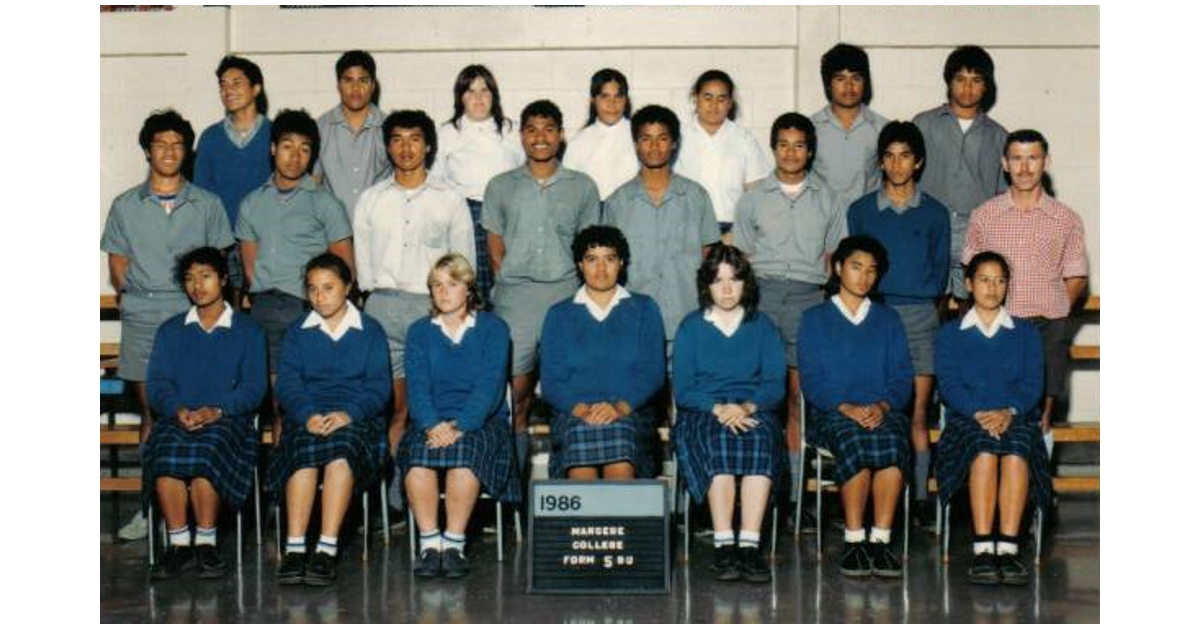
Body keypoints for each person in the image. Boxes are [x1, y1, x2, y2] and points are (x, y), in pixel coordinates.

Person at [101, 109, 235, 539]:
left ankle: (203, 513)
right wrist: (143, 300)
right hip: (144, 318)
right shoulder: (125, 205)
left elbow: (221, 262)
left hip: (192, 317)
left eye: (178, 144)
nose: (169, 151)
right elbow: (118, 267)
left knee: (200, 407)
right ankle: (150, 508)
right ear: (147, 150)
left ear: (187, 151)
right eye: (161, 144)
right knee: (153, 413)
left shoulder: (208, 204)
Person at [480, 99, 602, 467]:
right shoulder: (500, 185)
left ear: (561, 135)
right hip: (515, 301)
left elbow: (589, 248)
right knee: (515, 397)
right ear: (521, 136)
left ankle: (570, 488)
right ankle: (513, 493)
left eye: (549, 129)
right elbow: (495, 247)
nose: (540, 137)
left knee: (573, 394)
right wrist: (508, 284)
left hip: (565, 297)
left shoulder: (582, 186)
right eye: (532, 129)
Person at [353, 109, 475, 464]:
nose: (406, 148)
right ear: (387, 148)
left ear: (429, 146)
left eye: (415, 139)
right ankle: (389, 501)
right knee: (391, 410)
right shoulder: (371, 199)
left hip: (433, 310)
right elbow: (364, 266)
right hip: (383, 308)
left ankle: (427, 492)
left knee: (431, 409)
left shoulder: (449, 198)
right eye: (397, 140)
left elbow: (464, 265)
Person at [846, 120, 950, 523]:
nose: (897, 164)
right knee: (876, 408)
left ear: (918, 161)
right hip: (874, 317)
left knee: (918, 413)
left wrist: (929, 315)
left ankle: (920, 499)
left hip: (921, 317)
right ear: (880, 161)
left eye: (905, 155)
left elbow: (941, 274)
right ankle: (874, 501)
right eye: (889, 156)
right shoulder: (861, 210)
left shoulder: (936, 212)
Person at [144, 247, 267, 580]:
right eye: (189, 279)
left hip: (228, 420)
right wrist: (176, 409)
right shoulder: (171, 330)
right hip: (179, 417)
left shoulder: (247, 330)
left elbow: (255, 389)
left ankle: (207, 543)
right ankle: (179, 543)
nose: (197, 285)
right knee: (167, 452)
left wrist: (219, 410)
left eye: (206, 276)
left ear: (224, 279)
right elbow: (157, 383)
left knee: (206, 453)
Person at [732, 112, 846, 469]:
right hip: (761, 297)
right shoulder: (752, 200)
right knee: (757, 394)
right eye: (783, 145)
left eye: (799, 146)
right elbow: (744, 254)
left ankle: (795, 494)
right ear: (773, 149)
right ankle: (757, 483)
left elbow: (835, 256)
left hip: (808, 299)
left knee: (798, 397)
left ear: (810, 151)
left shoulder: (828, 198)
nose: (791, 153)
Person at [269, 254, 390, 587]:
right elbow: (289, 383)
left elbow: (379, 387)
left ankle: (326, 548)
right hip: (307, 415)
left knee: (340, 455)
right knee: (303, 459)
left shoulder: (370, 330)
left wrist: (348, 414)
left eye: (328, 288)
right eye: (312, 289)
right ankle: (295, 548)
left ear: (348, 288)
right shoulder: (298, 331)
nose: (319, 297)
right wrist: (307, 415)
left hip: (354, 418)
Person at [236, 108, 354, 443]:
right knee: (275, 405)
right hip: (265, 313)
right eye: (288, 146)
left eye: (305, 149)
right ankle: (279, 487)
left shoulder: (325, 203)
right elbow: (249, 267)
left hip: (309, 311)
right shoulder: (251, 203)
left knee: (307, 403)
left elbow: (345, 265)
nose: (295, 156)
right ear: (273, 148)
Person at [798, 235, 913, 579]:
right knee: (856, 442)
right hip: (832, 413)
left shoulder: (888, 319)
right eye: (856, 267)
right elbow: (812, 379)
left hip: (881, 411)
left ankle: (880, 539)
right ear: (838, 268)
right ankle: (853, 540)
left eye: (871, 271)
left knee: (892, 442)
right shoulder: (814, 319)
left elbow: (902, 378)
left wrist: (882, 405)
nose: (863, 277)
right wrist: (844, 407)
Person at [399, 253, 520, 579]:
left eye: (452, 284)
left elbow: (490, 386)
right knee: (417, 456)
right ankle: (429, 544)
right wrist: (432, 424)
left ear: (469, 288)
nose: (444, 291)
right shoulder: (420, 332)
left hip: (481, 419)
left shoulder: (494, 328)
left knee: (466, 456)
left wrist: (462, 425)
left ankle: (453, 543)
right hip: (432, 419)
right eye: (436, 285)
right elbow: (418, 387)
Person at [934, 251, 1050, 586]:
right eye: (984, 279)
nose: (992, 287)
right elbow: (950, 384)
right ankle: (984, 546)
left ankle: (1009, 548)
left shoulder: (1025, 333)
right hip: (967, 420)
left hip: (1015, 418)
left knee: (1016, 452)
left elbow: (1032, 384)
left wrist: (1008, 411)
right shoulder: (951, 332)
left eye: (1000, 280)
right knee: (983, 449)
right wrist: (979, 413)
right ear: (969, 284)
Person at [672, 244, 786, 583]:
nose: (726, 289)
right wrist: (718, 408)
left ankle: (749, 546)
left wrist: (747, 406)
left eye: (733, 280)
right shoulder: (691, 327)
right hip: (705, 410)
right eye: (718, 280)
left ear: (745, 284)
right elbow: (684, 389)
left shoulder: (762, 325)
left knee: (761, 438)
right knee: (718, 440)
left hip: (751, 407)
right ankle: (724, 545)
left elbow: (775, 383)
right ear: (705, 285)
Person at [961, 129, 1088, 431]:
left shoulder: (1066, 218)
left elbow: (1076, 275)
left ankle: (1042, 434)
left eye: (1033, 158)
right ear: (1005, 163)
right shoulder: (984, 215)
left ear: (1046, 162)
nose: (1025, 167)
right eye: (1017, 159)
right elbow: (971, 270)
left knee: (1038, 414)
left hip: (1046, 324)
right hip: (1001, 322)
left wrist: (1057, 310)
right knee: (998, 410)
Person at [540, 226, 666, 480]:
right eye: (591, 259)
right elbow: (552, 382)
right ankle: (584, 521)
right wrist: (581, 410)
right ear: (579, 264)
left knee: (621, 437)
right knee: (579, 437)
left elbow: (653, 373)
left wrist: (620, 408)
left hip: (630, 412)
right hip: (575, 413)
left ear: (621, 263)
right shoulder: (559, 314)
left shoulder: (644, 308)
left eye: (609, 259)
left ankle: (621, 520)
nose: (600, 269)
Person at [603, 104, 721, 356]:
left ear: (674, 143)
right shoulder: (618, 202)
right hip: (634, 320)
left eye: (662, 138)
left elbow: (707, 255)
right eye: (646, 139)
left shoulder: (696, 196)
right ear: (636, 144)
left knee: (686, 392)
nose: (654, 147)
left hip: (686, 315)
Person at [913, 45, 1008, 299]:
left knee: (974, 311)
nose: (967, 88)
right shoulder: (923, 124)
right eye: (960, 79)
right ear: (948, 82)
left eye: (976, 80)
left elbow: (1003, 195)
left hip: (977, 236)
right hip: (930, 232)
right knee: (931, 309)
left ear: (986, 86)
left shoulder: (998, 136)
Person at [431, 64, 524, 309]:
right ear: (460, 97)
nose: (478, 98)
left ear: (494, 95)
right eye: (470, 91)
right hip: (466, 213)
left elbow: (525, 173)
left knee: (506, 276)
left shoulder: (510, 130)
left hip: (506, 213)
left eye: (484, 91)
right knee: (469, 278)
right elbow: (437, 181)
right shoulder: (447, 132)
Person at [194, 55, 273, 305]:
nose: (228, 91)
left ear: (256, 88)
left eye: (236, 83)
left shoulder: (276, 133)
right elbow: (201, 196)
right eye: (223, 85)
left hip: (265, 244)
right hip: (222, 246)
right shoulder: (210, 138)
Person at [675, 69, 771, 238]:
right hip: (685, 230)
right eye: (707, 97)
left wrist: (739, 232)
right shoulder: (679, 137)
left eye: (721, 99)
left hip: (731, 233)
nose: (714, 105)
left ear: (730, 103)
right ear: (695, 98)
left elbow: (758, 194)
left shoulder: (744, 140)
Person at [314, 50, 390, 219]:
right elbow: (314, 183)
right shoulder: (320, 128)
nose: (355, 88)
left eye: (363, 80)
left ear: (373, 86)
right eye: (348, 80)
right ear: (338, 85)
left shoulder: (390, 128)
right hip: (333, 234)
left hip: (379, 229)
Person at [810, 43, 889, 206]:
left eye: (856, 78)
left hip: (866, 224)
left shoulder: (882, 128)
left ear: (865, 82)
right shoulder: (811, 128)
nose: (849, 86)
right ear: (828, 84)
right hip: (823, 225)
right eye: (840, 79)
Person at [562, 68, 639, 201]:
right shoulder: (579, 142)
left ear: (626, 100)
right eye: (605, 96)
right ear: (593, 100)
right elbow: (568, 190)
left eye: (618, 96)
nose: (612, 104)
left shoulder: (639, 136)